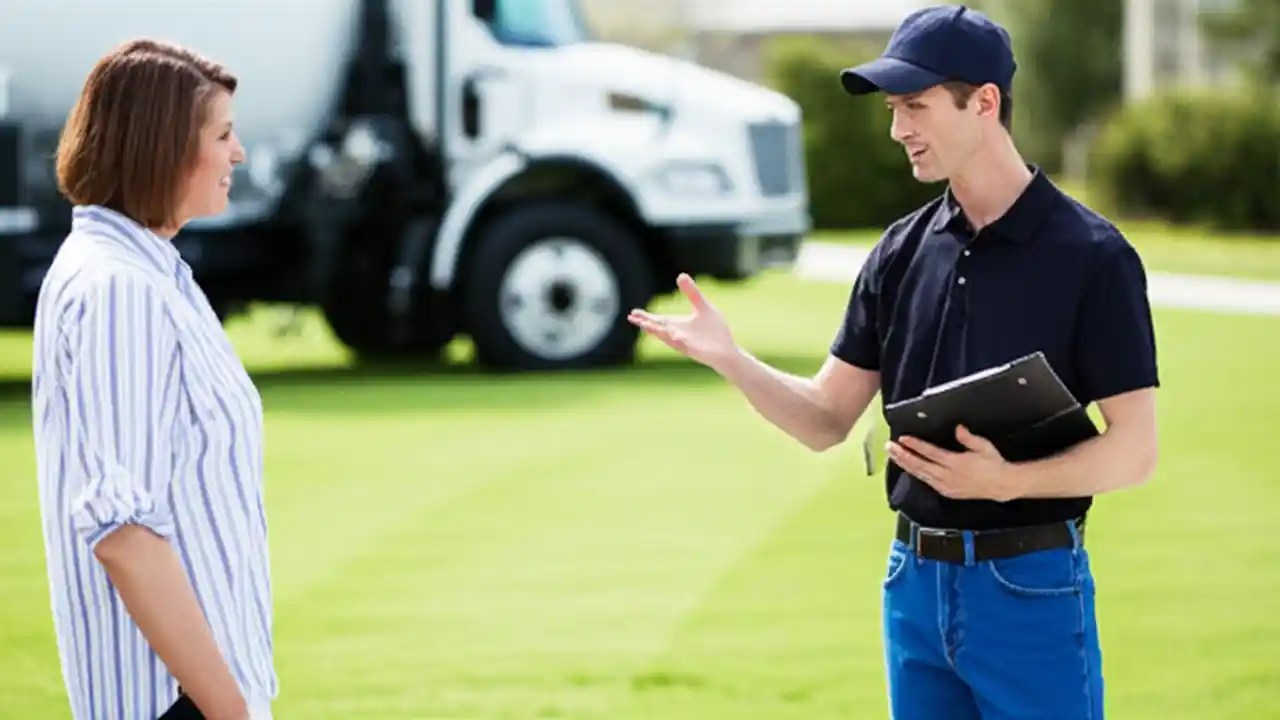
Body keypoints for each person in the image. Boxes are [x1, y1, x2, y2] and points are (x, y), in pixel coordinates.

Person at [628, 5, 1159, 718]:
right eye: (892, 108)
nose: (897, 129)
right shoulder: (900, 252)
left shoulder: (1093, 258)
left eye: (915, 105)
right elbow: (824, 419)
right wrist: (733, 360)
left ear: (985, 104)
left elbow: (1135, 450)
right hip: (912, 583)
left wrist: (1007, 482)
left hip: (1029, 583)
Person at [31, 39, 275, 719]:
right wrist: (228, 709)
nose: (239, 152)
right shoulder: (119, 288)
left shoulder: (147, 271)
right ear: (162, 146)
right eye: (223, 134)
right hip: (173, 700)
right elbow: (123, 530)